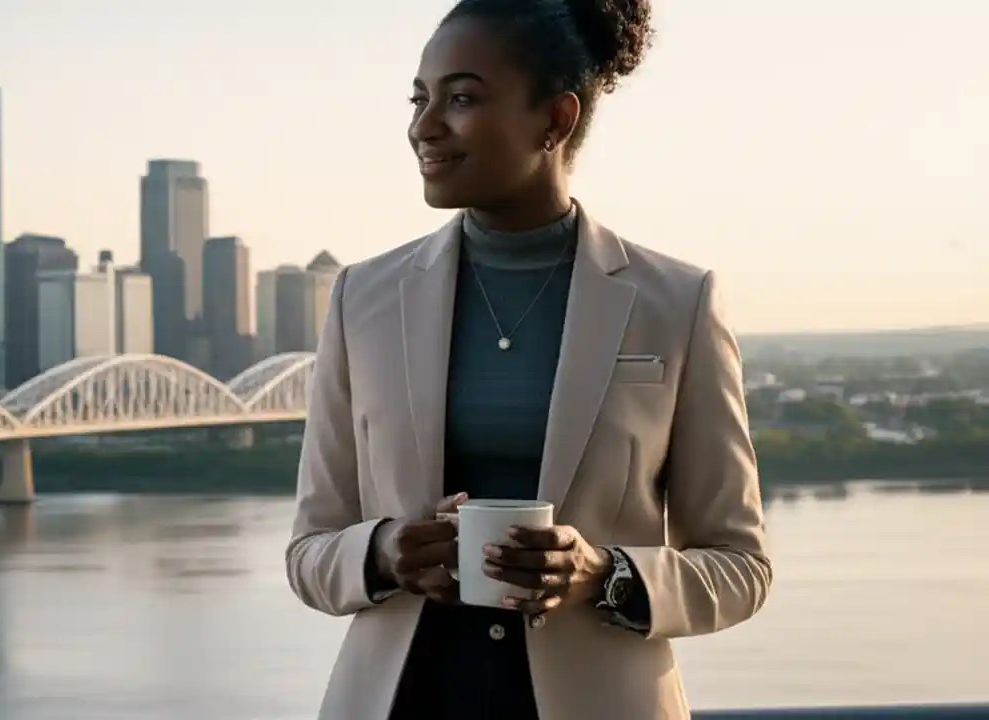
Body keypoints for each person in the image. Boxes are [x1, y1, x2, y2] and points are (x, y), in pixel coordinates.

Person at [285, 0, 772, 717]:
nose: (424, 126)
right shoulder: (364, 297)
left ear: (555, 119)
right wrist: (387, 552)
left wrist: (604, 574)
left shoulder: (677, 301)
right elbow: (309, 553)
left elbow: (740, 568)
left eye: (460, 98)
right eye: (419, 99)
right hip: (404, 700)